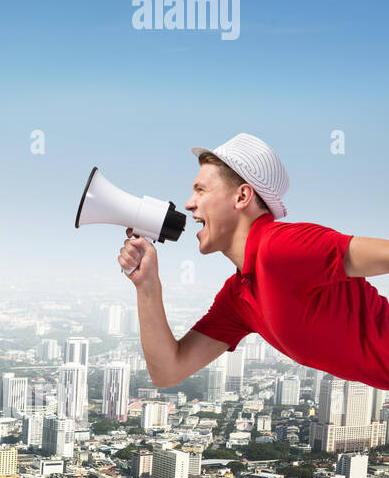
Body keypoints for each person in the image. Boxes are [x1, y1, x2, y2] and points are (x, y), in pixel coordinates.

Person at [119, 132, 389, 389]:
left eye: (201, 190)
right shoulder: (238, 297)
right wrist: (147, 286)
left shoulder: (281, 247)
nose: (189, 204)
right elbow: (168, 371)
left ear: (242, 196)